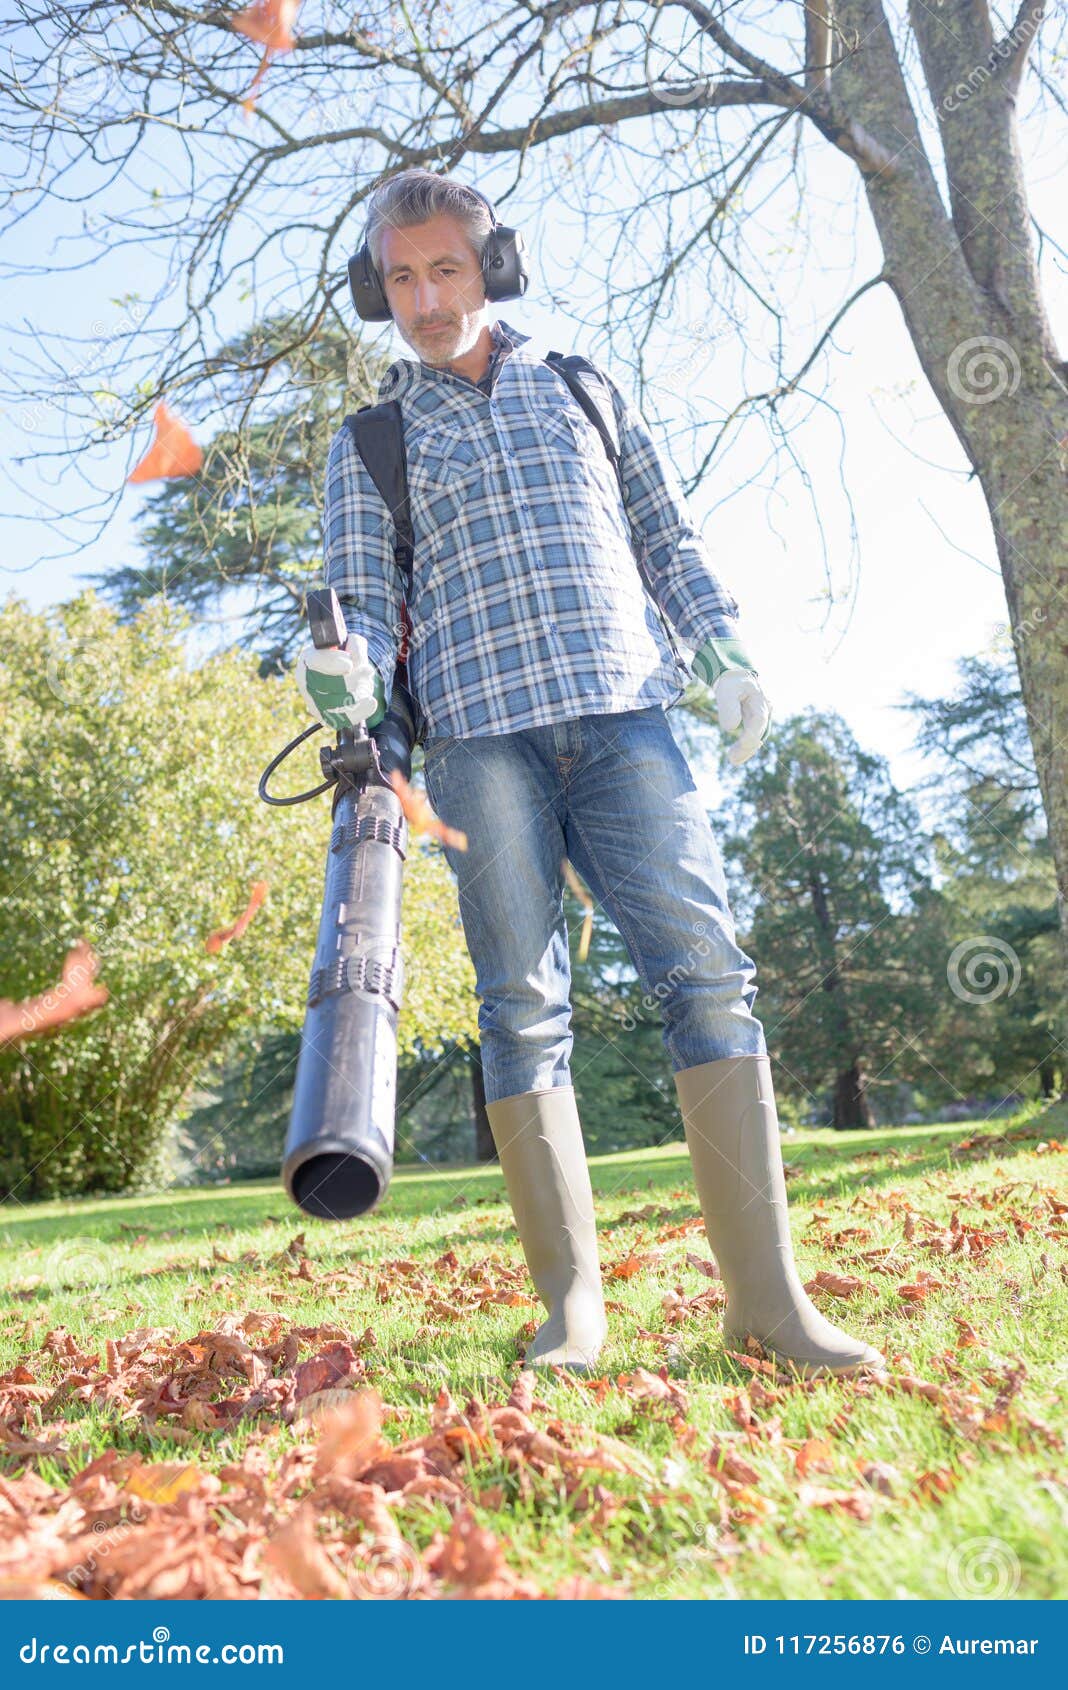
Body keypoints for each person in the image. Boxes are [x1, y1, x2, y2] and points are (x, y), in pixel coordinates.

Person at [297, 168, 885, 1380]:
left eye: (445, 268)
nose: (425, 298)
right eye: (400, 278)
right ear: (377, 290)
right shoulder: (372, 443)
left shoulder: (581, 387)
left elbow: (665, 535)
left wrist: (719, 645)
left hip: (630, 717)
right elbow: (361, 603)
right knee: (522, 1006)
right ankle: (574, 1310)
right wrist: (345, 680)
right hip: (477, 741)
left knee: (709, 978)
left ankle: (769, 1305)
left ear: (492, 265)